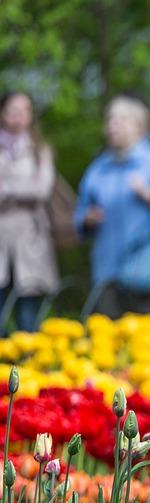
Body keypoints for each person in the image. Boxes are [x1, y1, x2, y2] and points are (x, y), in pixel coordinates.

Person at [74, 93, 150, 317]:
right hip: (107, 272)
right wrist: (87, 219)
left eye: (121, 120)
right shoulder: (98, 168)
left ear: (140, 125)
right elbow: (80, 214)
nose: (112, 126)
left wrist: (148, 194)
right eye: (109, 120)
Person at [0, 91, 59, 333]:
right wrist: (25, 188)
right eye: (14, 110)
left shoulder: (39, 149)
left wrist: (7, 188)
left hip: (30, 239)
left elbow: (43, 189)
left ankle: (23, 371)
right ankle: (4, 370)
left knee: (28, 314)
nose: (19, 116)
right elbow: (34, 189)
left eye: (25, 110)